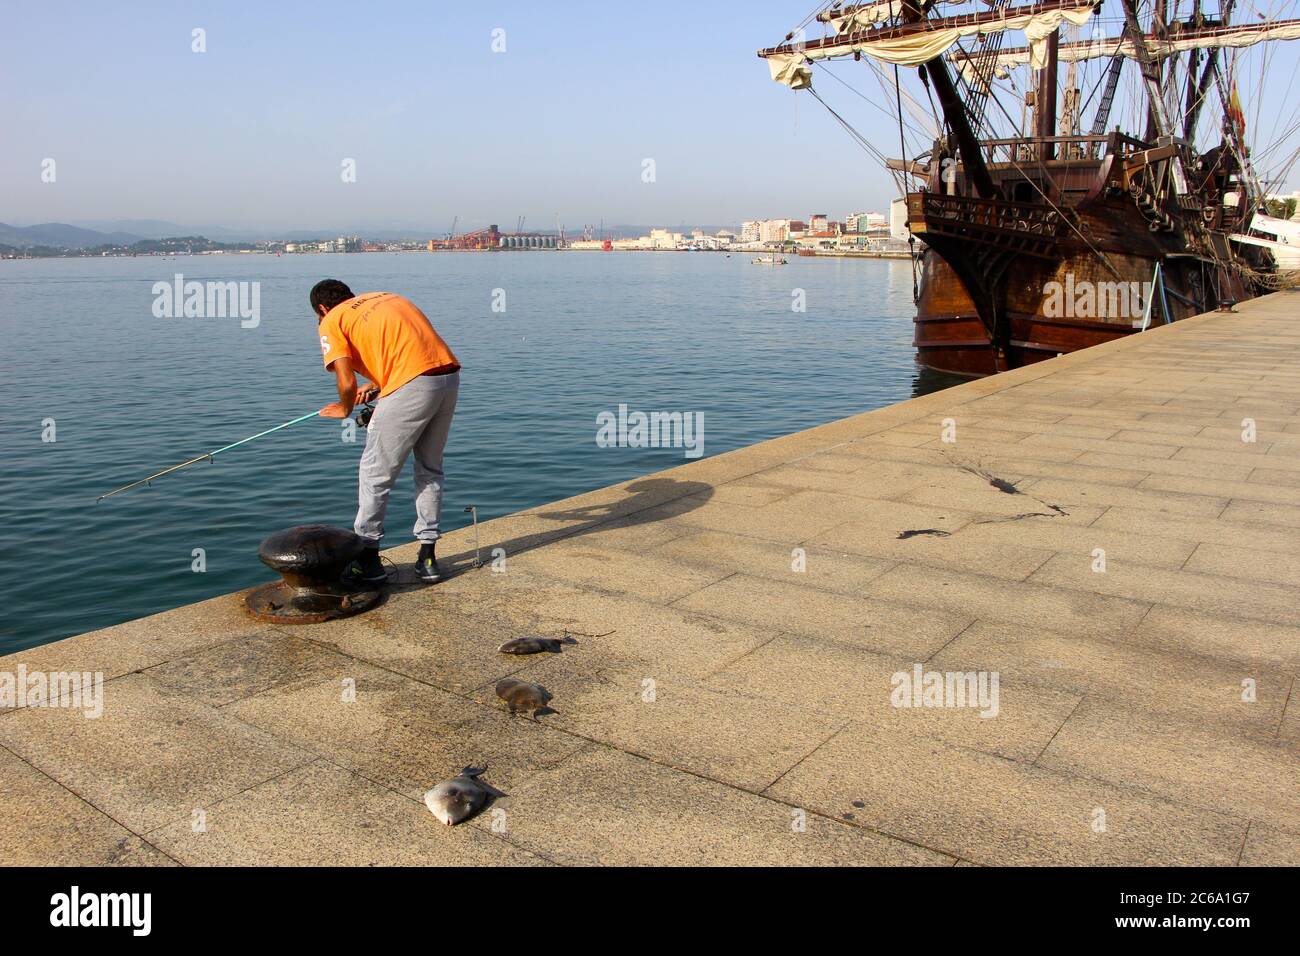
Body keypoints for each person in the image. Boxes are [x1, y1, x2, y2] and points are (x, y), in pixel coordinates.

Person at [310, 279, 460, 585]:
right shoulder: (386, 297)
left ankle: (368, 559)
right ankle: (428, 558)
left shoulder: (332, 320)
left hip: (412, 385)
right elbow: (412, 352)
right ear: (349, 295)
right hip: (447, 377)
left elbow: (346, 380)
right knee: (430, 469)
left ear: (322, 309)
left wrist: (345, 407)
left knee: (374, 474)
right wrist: (380, 384)